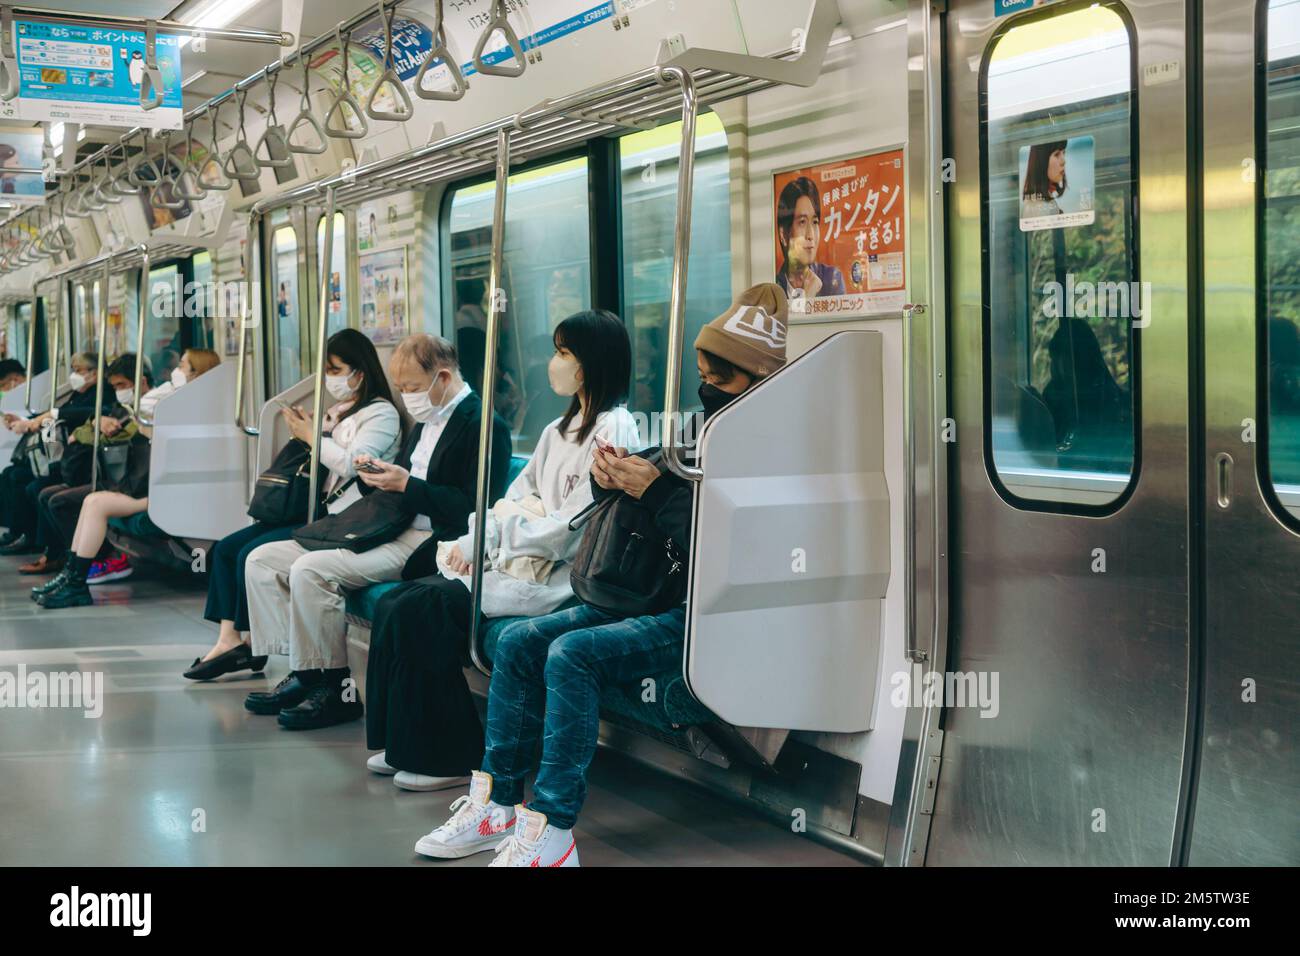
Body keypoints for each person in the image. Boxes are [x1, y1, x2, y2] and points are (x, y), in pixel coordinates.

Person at [413, 283, 789, 866]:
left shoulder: (775, 447)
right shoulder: (699, 429)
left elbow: (738, 548)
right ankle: (498, 804)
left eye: (722, 377)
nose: (707, 387)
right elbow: (661, 517)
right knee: (516, 643)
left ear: (759, 382)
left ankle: (554, 831)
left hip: (703, 613)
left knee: (573, 655)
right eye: (701, 371)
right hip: (650, 591)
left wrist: (657, 489)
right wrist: (613, 481)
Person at [365, 310, 640, 789]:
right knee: (395, 602)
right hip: (515, 561)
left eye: (563, 353)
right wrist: (479, 539)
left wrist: (510, 528)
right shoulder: (558, 430)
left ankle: (448, 756)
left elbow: (569, 529)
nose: (553, 363)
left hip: (557, 577)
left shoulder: (615, 431)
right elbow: (514, 499)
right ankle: (404, 741)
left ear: (591, 362)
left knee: (424, 608)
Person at [240, 334, 512, 730]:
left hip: (430, 540)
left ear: (443, 377)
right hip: (390, 524)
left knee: (311, 571)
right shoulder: (426, 420)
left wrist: (407, 485)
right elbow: (403, 483)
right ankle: (305, 670)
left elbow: (476, 508)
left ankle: (331, 688)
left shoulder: (484, 426)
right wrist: (376, 476)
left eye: (413, 388)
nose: (406, 398)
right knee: (262, 559)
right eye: (400, 389)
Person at [185, 329, 402, 681]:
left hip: (345, 517)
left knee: (250, 554)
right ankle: (229, 638)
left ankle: (272, 651)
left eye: (335, 370)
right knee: (226, 549)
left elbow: (353, 464)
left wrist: (312, 436)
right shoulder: (339, 411)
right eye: (327, 370)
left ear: (359, 372)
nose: (330, 379)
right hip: (312, 507)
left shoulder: (380, 415)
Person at [34, 349, 220, 610]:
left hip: (174, 493)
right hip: (160, 487)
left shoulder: (197, 411)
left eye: (183, 366)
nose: (175, 371)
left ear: (198, 374)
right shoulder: (177, 405)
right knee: (91, 501)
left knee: (96, 503)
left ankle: (76, 582)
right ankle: (72, 577)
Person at [22, 354, 152, 578]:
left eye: (122, 385)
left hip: (135, 485)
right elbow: (89, 429)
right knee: (46, 493)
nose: (118, 390)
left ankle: (93, 564)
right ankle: (73, 567)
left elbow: (111, 433)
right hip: (119, 479)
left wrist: (94, 426)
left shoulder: (146, 409)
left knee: (65, 500)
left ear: (140, 381)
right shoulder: (121, 406)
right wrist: (95, 423)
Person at [0, 351, 103, 556]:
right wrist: (26, 419)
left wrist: (47, 417)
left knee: (35, 486)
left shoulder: (101, 393)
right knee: (11, 474)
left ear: (96, 373)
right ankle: (19, 532)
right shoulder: (77, 393)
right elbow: (50, 416)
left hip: (78, 460)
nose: (75, 375)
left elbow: (81, 414)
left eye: (80, 370)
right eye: (74, 370)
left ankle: (45, 547)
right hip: (60, 453)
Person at [775, 176, 846, 305]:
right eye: (802, 222)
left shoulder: (831, 279)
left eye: (815, 222)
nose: (811, 235)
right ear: (783, 234)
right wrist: (807, 298)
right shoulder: (773, 287)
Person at [1020, 141, 1068, 219]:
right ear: (1041, 161)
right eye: (1056, 154)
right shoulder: (1038, 207)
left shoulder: (1038, 201)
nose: (1063, 161)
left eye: (1064, 153)